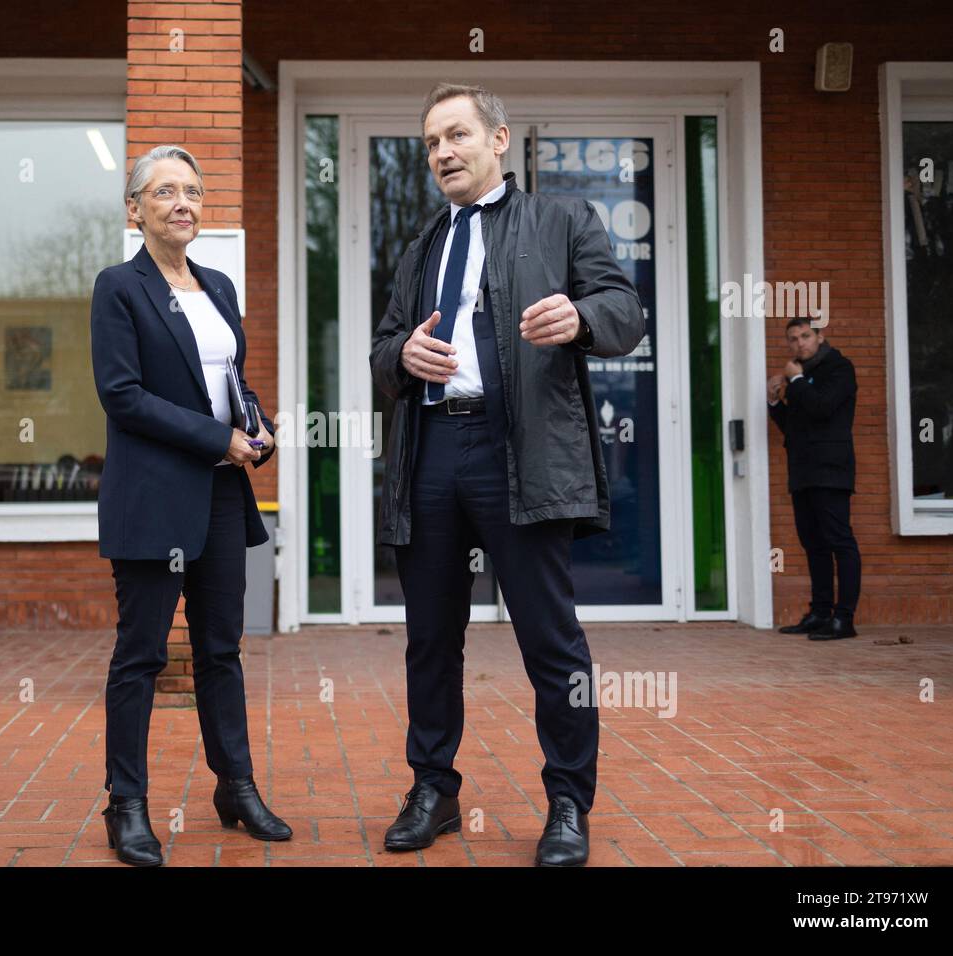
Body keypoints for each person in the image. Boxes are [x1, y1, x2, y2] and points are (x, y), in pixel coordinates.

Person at [369, 84, 645, 866]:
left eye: (456, 135)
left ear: (499, 139)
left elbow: (625, 309)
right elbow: (383, 349)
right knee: (430, 637)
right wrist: (401, 358)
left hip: (519, 451)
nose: (442, 153)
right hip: (431, 451)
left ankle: (567, 800)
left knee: (549, 639)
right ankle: (434, 789)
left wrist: (582, 319)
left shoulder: (559, 220)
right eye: (430, 143)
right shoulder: (420, 244)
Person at [90, 145, 290, 866]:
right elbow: (123, 395)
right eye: (165, 191)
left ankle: (234, 787)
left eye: (193, 192)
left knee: (220, 651)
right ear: (134, 208)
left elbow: (232, 378)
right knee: (141, 654)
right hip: (151, 499)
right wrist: (219, 437)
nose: (183, 203)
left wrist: (257, 424)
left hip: (218, 497)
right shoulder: (119, 288)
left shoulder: (220, 288)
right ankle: (127, 804)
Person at [768, 317, 861, 640]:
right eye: (793, 339)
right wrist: (775, 401)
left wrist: (796, 383)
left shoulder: (839, 369)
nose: (799, 344)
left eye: (806, 336)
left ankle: (844, 619)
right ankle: (821, 613)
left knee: (840, 541)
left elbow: (822, 409)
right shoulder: (802, 377)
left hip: (832, 471)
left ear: (820, 337)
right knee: (813, 545)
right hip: (803, 472)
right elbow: (793, 426)